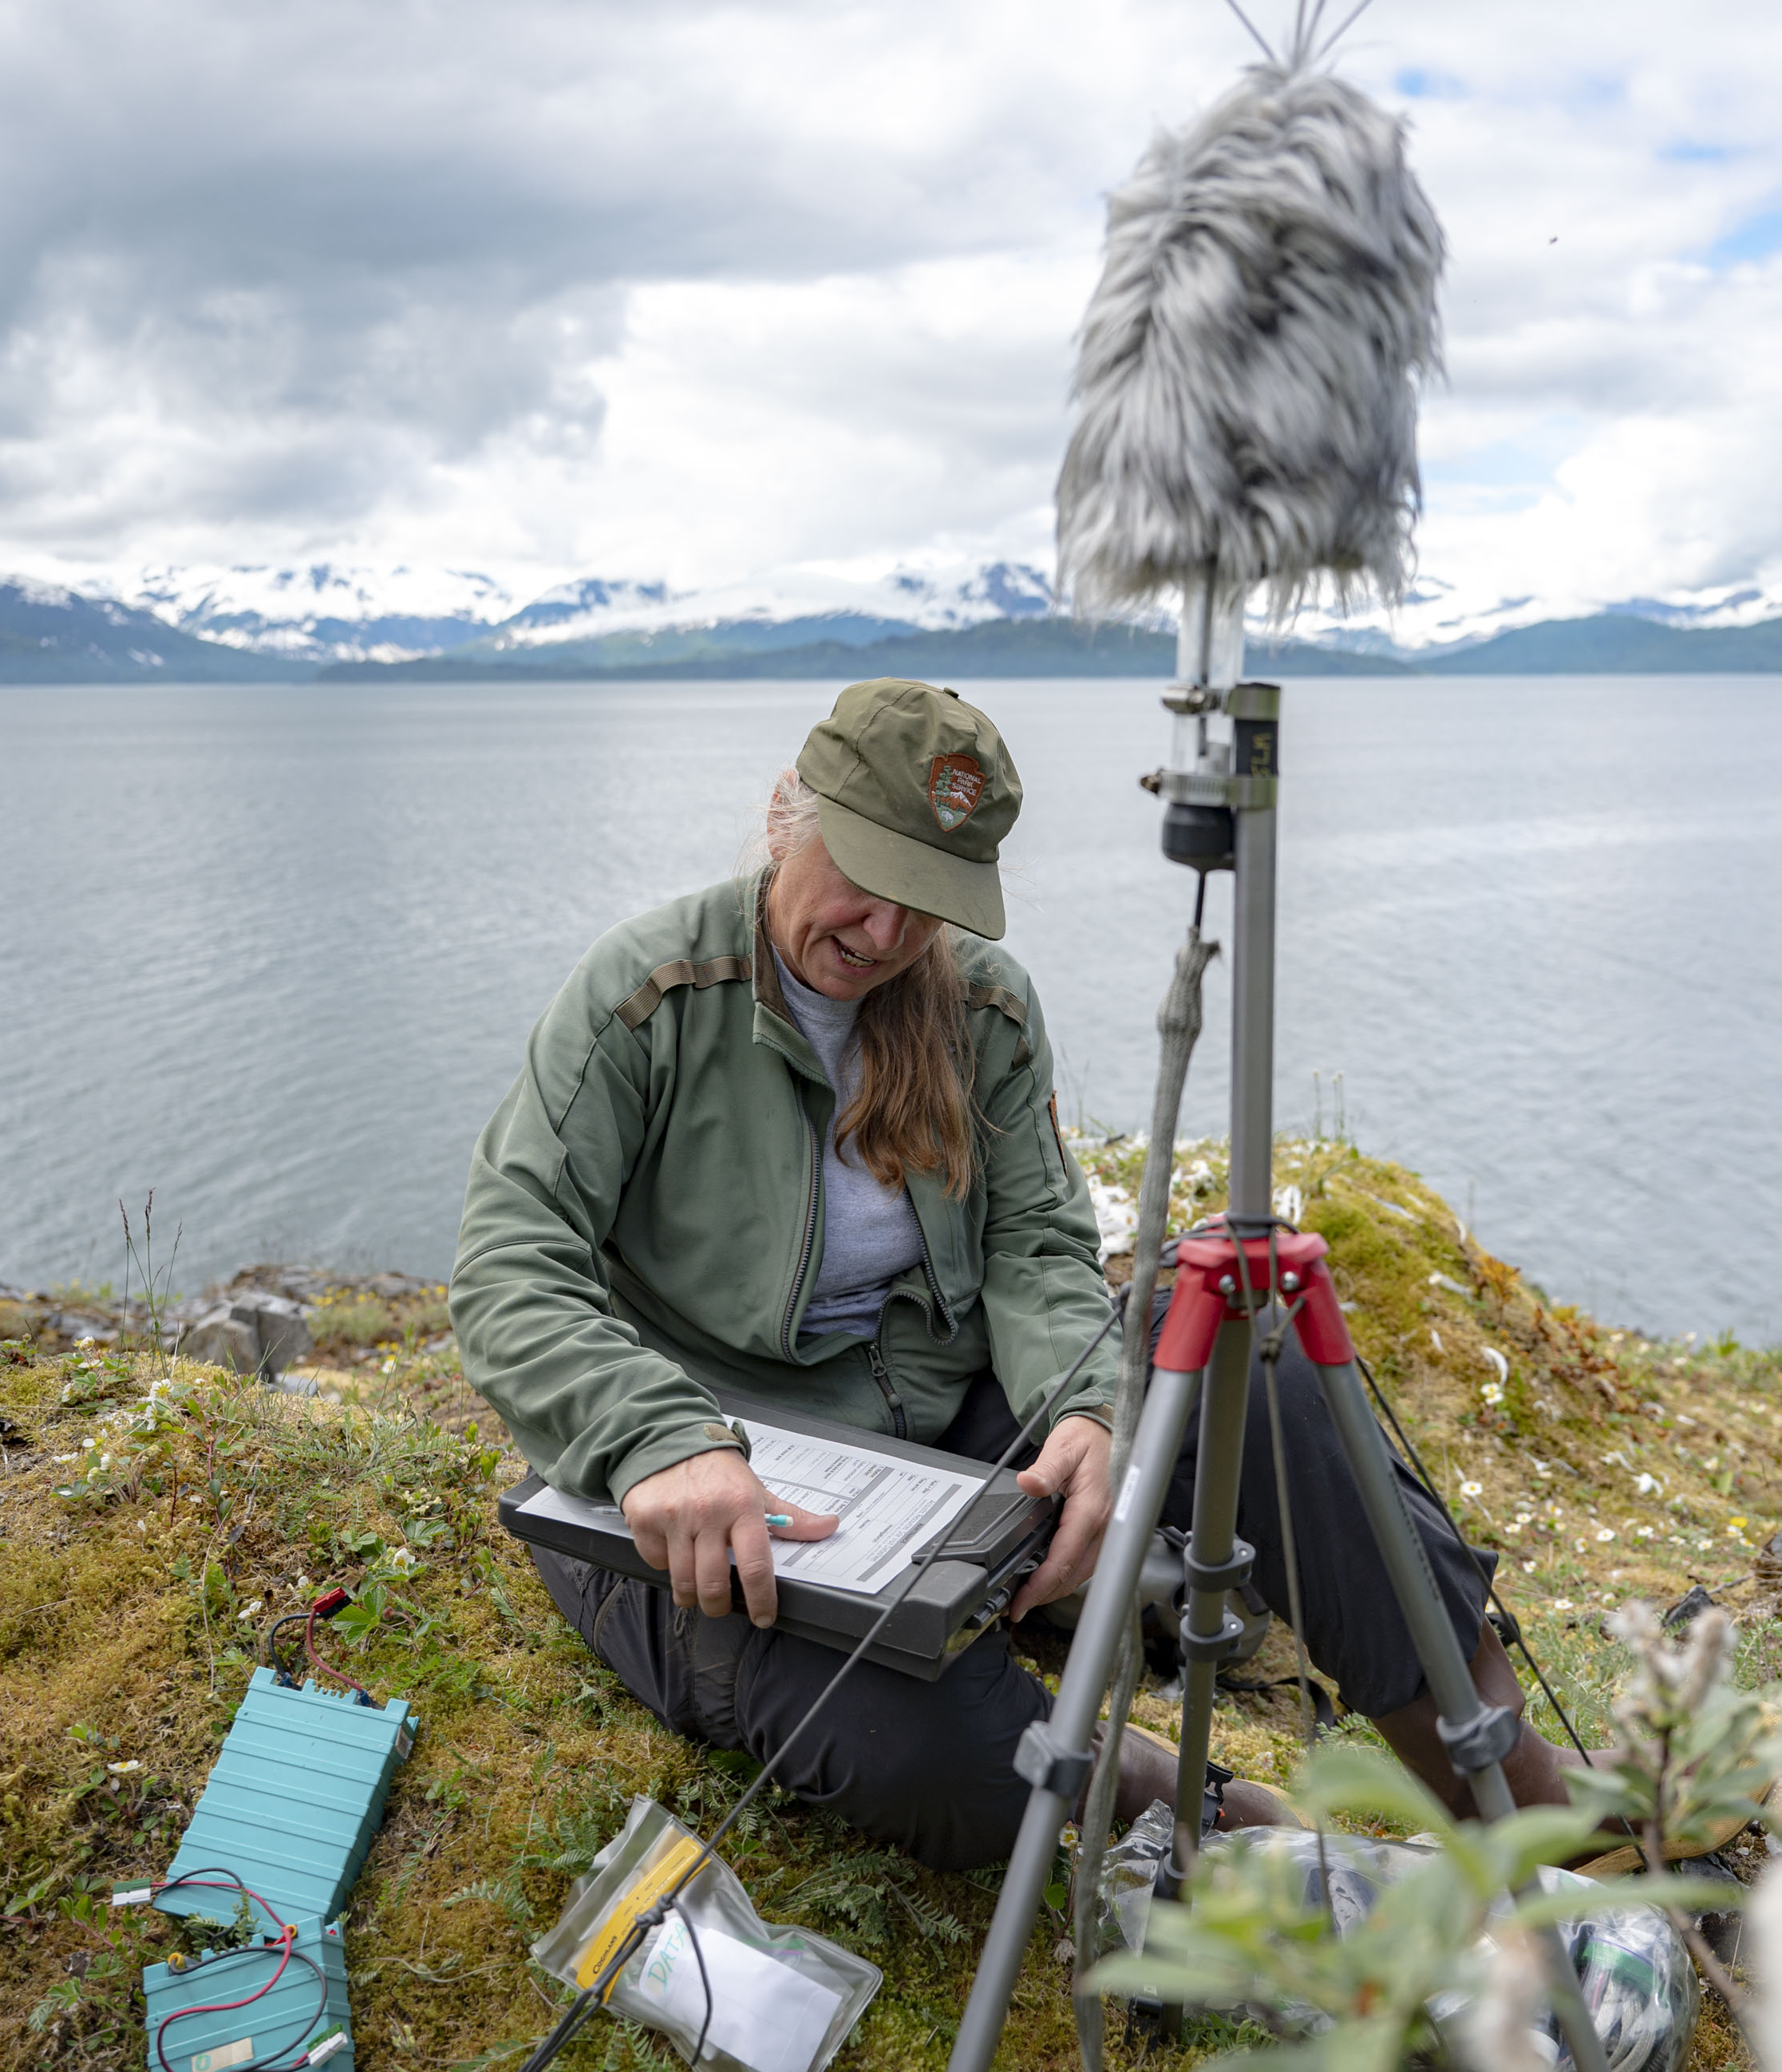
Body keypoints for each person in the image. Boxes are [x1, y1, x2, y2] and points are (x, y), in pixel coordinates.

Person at [450, 677, 1590, 1874]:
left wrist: (1086, 1412)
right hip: (712, 1491)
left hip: (944, 1447)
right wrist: (659, 1438)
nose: (886, 935)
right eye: (867, 876)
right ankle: (1181, 1806)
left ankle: (1518, 1796)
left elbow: (1035, 1247)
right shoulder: (649, 996)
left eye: (928, 902)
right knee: (912, 1739)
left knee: (1252, 1369)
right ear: (790, 812)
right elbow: (507, 1261)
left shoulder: (982, 1007)